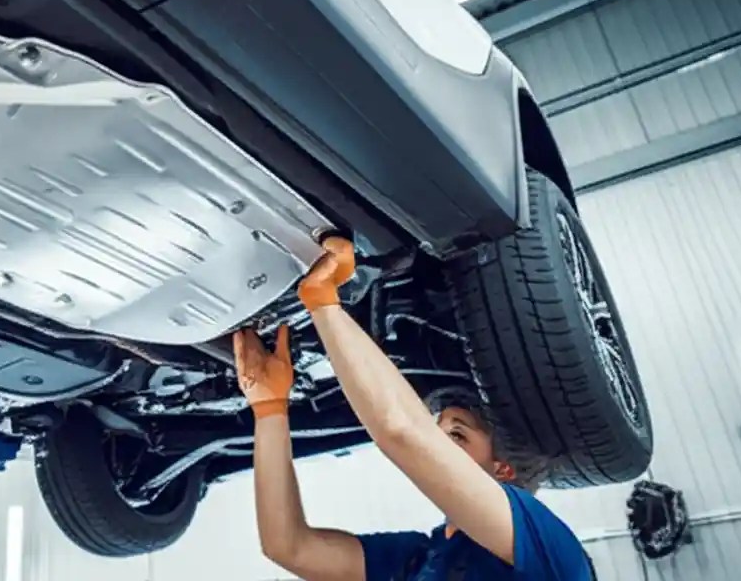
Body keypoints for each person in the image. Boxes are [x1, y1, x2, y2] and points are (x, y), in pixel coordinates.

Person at [233, 237, 591, 580]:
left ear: (503, 469)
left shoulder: (545, 556)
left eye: (456, 435)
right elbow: (405, 434)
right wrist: (320, 306)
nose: (435, 443)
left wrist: (268, 408)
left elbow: (288, 548)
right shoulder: (435, 557)